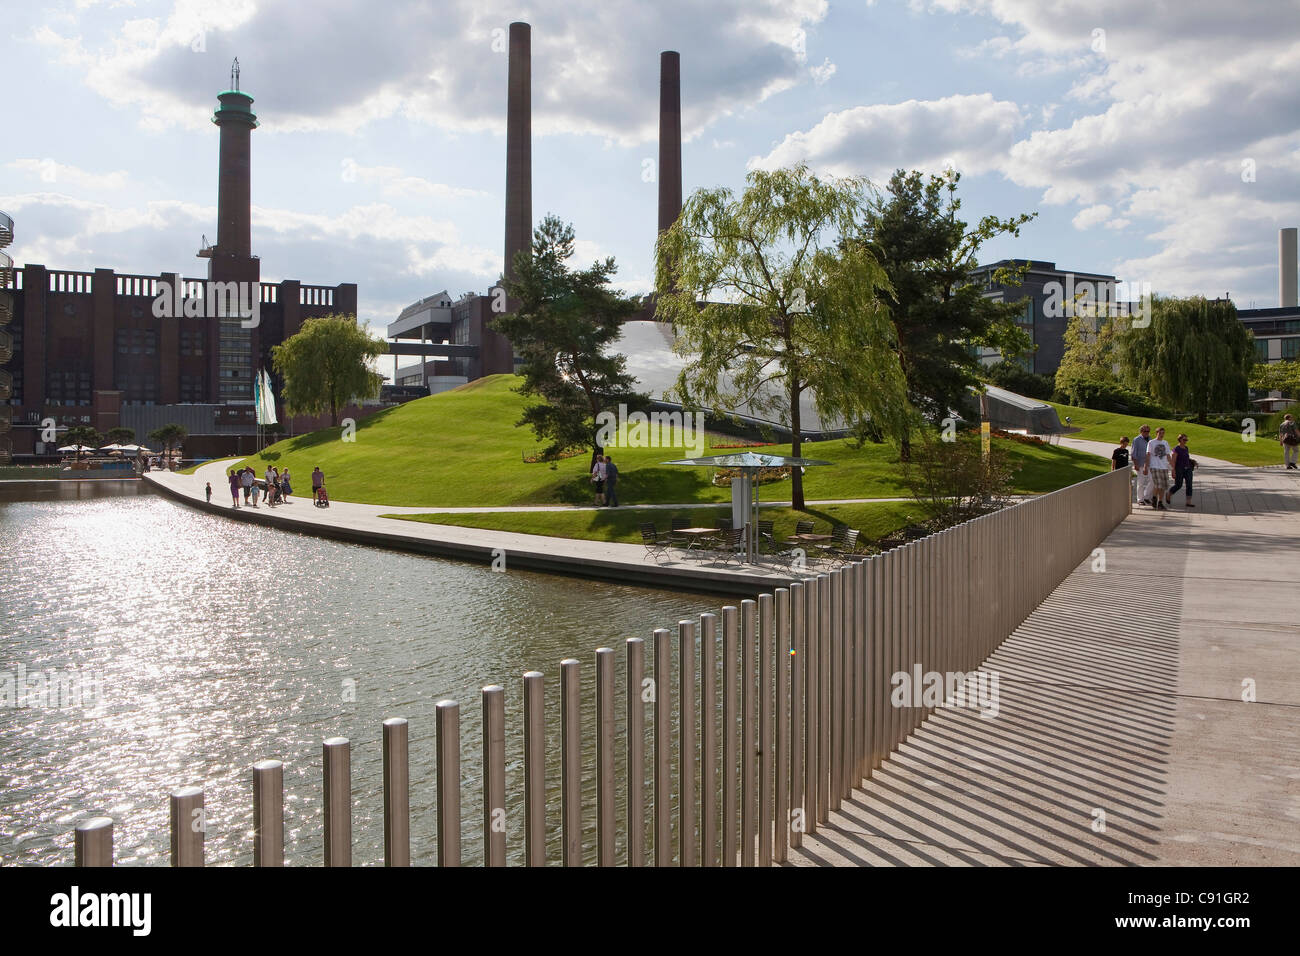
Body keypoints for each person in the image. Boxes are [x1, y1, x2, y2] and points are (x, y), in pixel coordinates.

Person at [1145, 426, 1173, 511]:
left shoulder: (1165, 443)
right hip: (1154, 466)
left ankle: (1160, 502)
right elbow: (1148, 454)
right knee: (1158, 484)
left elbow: (1168, 455)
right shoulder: (1151, 442)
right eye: (1160, 433)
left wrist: (1173, 467)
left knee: (1163, 486)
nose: (1161, 435)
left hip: (1164, 466)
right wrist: (1146, 466)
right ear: (1156, 433)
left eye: (1163, 433)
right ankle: (1154, 498)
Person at [1167, 433, 1195, 508]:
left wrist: (1192, 461)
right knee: (1178, 485)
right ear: (1180, 440)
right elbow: (1173, 460)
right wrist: (1173, 470)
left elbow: (1186, 458)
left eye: (1186, 440)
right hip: (1179, 468)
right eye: (1184, 439)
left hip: (1188, 469)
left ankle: (1188, 502)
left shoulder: (1186, 448)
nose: (1185, 441)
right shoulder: (1176, 449)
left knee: (1189, 484)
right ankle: (1169, 494)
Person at [1131, 424, 1152, 506]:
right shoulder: (1136, 440)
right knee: (1141, 482)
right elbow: (1133, 453)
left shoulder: (1150, 439)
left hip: (1150, 463)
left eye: (1148, 431)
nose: (1147, 433)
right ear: (1141, 431)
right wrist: (1135, 464)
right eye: (1145, 431)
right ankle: (1140, 499)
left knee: (1153, 481)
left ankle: (1146, 496)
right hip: (1140, 463)